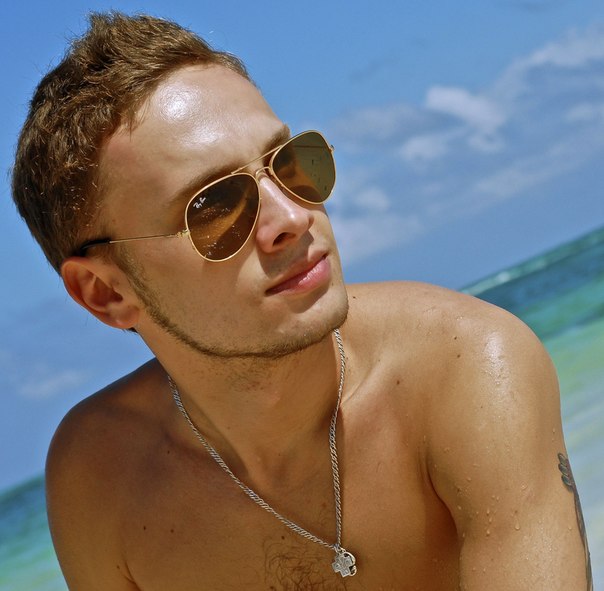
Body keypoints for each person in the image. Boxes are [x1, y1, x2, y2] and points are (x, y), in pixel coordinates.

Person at [12, 12, 592, 591]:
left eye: (288, 164)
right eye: (216, 207)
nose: (292, 217)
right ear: (107, 293)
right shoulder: (101, 480)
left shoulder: (468, 369)